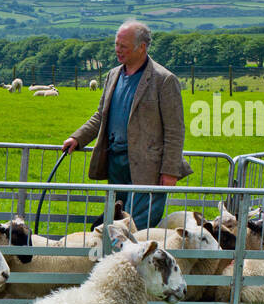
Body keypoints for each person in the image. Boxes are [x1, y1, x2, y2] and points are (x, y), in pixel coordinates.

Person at [61, 20, 191, 230]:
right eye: (116, 44)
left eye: (124, 46)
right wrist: (78, 138)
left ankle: (131, 261)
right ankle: (115, 262)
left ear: (142, 47)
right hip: (116, 162)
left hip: (148, 167)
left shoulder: (164, 80)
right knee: (116, 222)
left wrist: (170, 171)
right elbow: (101, 116)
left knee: (135, 227)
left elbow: (175, 131)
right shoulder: (114, 75)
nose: (118, 51)